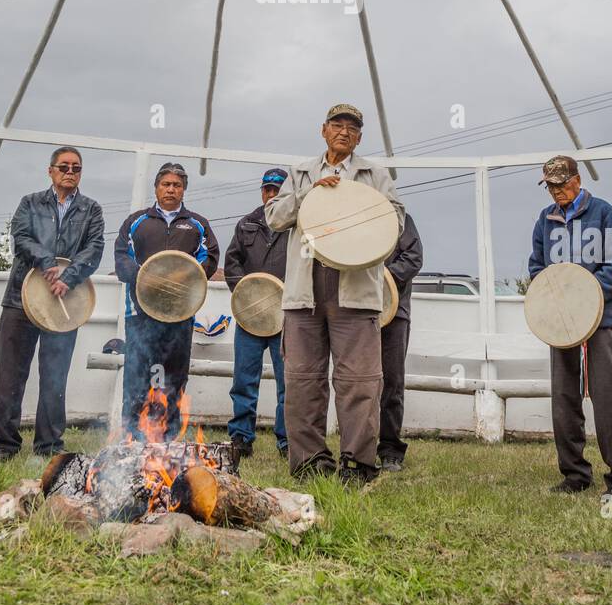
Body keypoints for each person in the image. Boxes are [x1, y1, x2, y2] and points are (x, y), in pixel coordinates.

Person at [266, 103, 405, 486]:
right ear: (323, 130)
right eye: (337, 125)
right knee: (302, 378)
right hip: (304, 289)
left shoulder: (374, 174)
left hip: (355, 288)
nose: (344, 132)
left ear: (359, 137)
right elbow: (274, 217)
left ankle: (357, 463)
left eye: (352, 128)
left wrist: (357, 206)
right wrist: (311, 194)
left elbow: (396, 221)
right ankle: (310, 461)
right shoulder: (301, 173)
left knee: (360, 380)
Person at [528, 154, 612, 497]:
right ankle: (575, 475)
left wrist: (584, 302)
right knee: (564, 398)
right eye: (550, 186)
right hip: (560, 326)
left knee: (607, 397)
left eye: (561, 184)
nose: (557, 192)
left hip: (600, 321)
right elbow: (537, 269)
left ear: (577, 180)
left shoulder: (603, 213)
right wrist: (553, 302)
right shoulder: (544, 221)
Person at [0, 147, 104, 460]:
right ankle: (4, 445)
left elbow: (94, 250)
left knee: (55, 375)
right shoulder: (30, 202)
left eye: (76, 168)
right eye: (64, 166)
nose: (70, 172)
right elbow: (21, 237)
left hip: (64, 303)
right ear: (51, 170)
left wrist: (68, 277)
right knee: (11, 374)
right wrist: (46, 263)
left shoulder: (91, 209)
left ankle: (48, 446)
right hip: (20, 299)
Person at [114, 162, 219, 441]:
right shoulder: (136, 221)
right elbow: (122, 258)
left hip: (180, 314)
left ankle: (169, 436)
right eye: (166, 184)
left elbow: (209, 260)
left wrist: (183, 283)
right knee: (137, 374)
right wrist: (149, 280)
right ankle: (132, 435)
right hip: (140, 312)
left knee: (174, 375)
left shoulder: (197, 224)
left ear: (184, 189)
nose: (171, 189)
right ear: (156, 188)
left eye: (177, 185)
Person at [224, 168, 289, 462]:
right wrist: (246, 292)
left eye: (278, 190)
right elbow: (232, 261)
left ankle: (287, 440)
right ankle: (241, 437)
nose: (272, 195)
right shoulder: (246, 224)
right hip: (249, 316)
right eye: (267, 189)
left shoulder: (297, 225)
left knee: (288, 381)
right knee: (244, 379)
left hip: (286, 317)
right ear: (261, 191)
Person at [377, 212, 423, 472]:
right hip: (355, 314)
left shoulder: (402, 219)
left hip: (395, 312)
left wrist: (383, 278)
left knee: (392, 382)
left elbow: (414, 257)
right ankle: (358, 447)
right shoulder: (352, 214)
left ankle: (391, 449)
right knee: (357, 384)